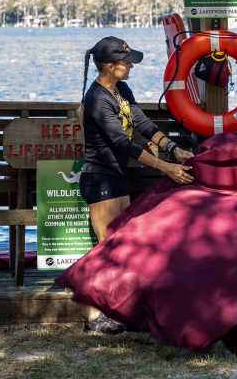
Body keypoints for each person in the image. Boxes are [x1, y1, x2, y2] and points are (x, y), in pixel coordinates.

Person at [79, 36, 195, 333]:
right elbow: (122, 141)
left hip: (118, 176)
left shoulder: (121, 89)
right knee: (107, 247)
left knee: (122, 245)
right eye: (125, 62)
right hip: (99, 178)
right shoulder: (96, 99)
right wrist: (166, 167)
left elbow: (142, 124)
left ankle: (117, 310)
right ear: (108, 66)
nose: (130, 66)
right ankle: (94, 317)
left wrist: (172, 148)